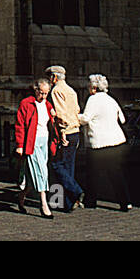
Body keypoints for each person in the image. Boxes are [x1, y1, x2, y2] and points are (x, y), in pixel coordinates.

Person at [77, 74, 134, 211]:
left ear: (94, 88)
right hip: (116, 141)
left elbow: (85, 118)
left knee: (92, 174)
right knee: (116, 173)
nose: (88, 88)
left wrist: (73, 115)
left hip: (98, 142)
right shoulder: (111, 99)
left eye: (89, 86)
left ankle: (91, 201)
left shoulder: (93, 99)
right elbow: (122, 119)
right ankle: (125, 202)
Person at [15, 78, 59, 218]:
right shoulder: (26, 103)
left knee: (33, 174)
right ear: (36, 90)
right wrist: (20, 145)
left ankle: (21, 198)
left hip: (44, 140)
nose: (44, 96)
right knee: (41, 171)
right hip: (31, 142)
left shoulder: (47, 105)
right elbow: (20, 125)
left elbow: (51, 120)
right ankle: (44, 204)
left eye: (46, 93)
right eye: (41, 93)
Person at [46, 65, 85, 212]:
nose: (50, 80)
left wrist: (62, 130)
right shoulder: (70, 90)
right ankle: (69, 203)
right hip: (75, 130)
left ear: (54, 77)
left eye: (50, 77)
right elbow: (76, 110)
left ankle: (76, 190)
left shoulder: (56, 91)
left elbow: (60, 113)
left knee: (57, 165)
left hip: (66, 132)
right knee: (68, 167)